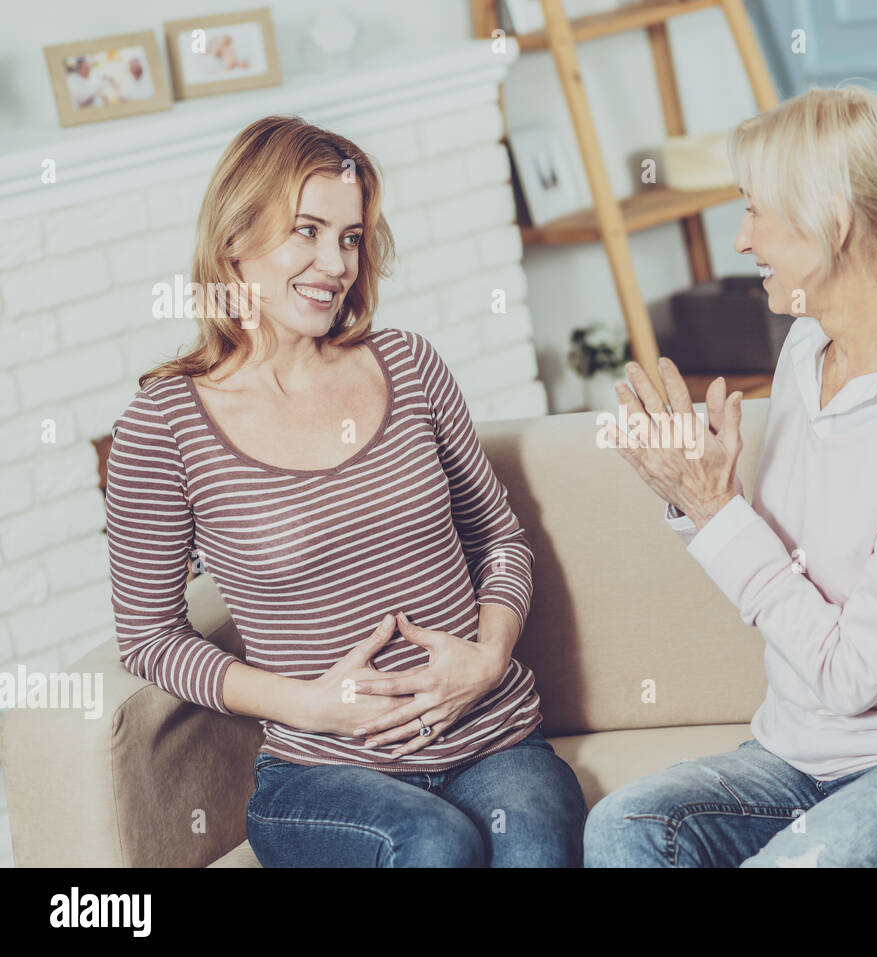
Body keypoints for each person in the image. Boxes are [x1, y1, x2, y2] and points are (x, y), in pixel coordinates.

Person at [585, 84, 877, 868]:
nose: (740, 239)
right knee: (624, 828)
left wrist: (718, 510)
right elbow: (791, 574)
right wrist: (692, 489)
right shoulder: (806, 348)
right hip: (802, 753)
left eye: (755, 210)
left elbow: (850, 674)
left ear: (833, 222)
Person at [106, 115, 586, 867]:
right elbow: (148, 636)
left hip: (494, 739)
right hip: (321, 774)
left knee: (531, 849)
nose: (334, 262)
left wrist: (490, 654)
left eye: (351, 237)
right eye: (307, 230)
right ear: (235, 237)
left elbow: (500, 538)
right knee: (435, 844)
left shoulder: (409, 363)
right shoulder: (164, 426)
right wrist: (308, 704)